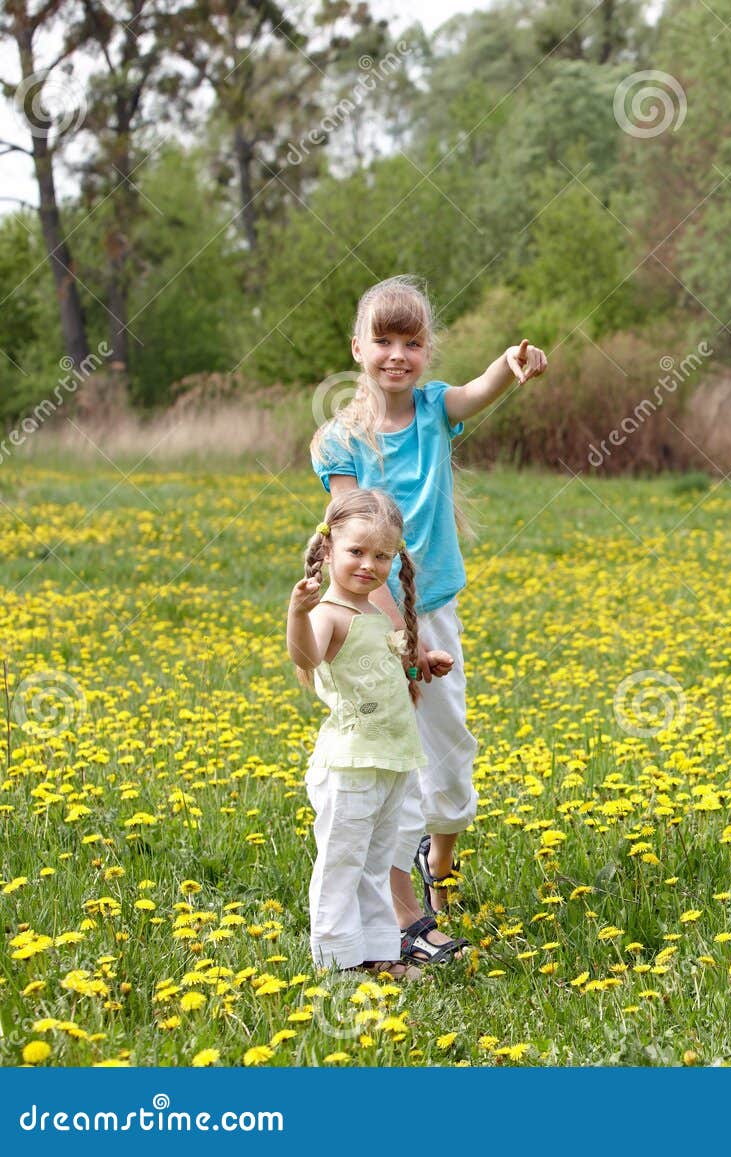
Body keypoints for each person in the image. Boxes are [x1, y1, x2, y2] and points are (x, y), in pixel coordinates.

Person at [311, 275, 547, 964]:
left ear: (426, 352)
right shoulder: (340, 443)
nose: (397, 354)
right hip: (367, 620)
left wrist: (510, 363)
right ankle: (398, 913)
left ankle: (438, 865)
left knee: (449, 749)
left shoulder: (437, 410)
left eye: (412, 342)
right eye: (383, 339)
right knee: (388, 757)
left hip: (433, 610)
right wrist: (395, 639)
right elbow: (350, 537)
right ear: (358, 346)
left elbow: (479, 390)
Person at [286, 487, 467, 978]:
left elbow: (385, 672)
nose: (369, 564)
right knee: (342, 865)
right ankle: (335, 960)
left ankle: (377, 952)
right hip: (350, 766)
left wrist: (422, 661)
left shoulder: (373, 614)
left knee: (377, 863)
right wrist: (297, 615)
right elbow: (307, 657)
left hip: (391, 762)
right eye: (356, 552)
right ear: (328, 552)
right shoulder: (327, 614)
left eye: (382, 556)